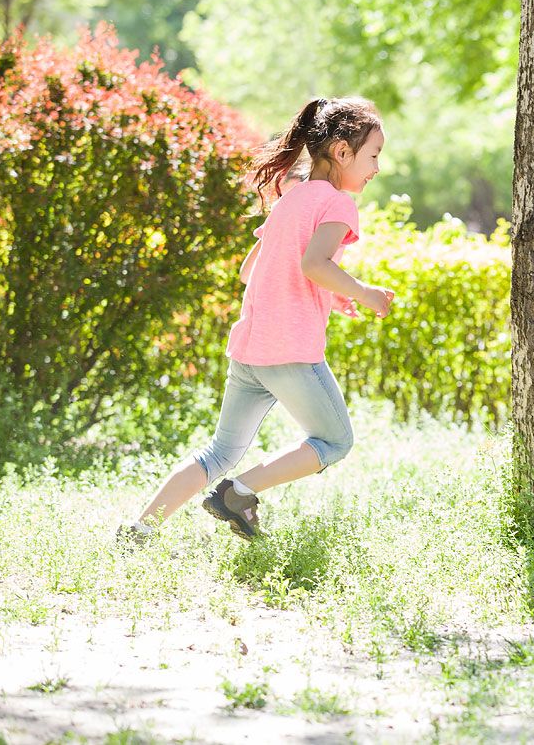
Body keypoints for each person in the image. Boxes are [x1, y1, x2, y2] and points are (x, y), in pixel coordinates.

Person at [118, 96, 395, 544]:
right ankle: (239, 493)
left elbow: (252, 271)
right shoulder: (338, 204)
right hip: (290, 352)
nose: (377, 167)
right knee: (334, 442)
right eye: (374, 155)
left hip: (250, 350)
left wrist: (330, 291)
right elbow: (313, 264)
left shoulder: (290, 200)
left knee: (219, 451)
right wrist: (363, 293)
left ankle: (138, 531)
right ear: (342, 151)